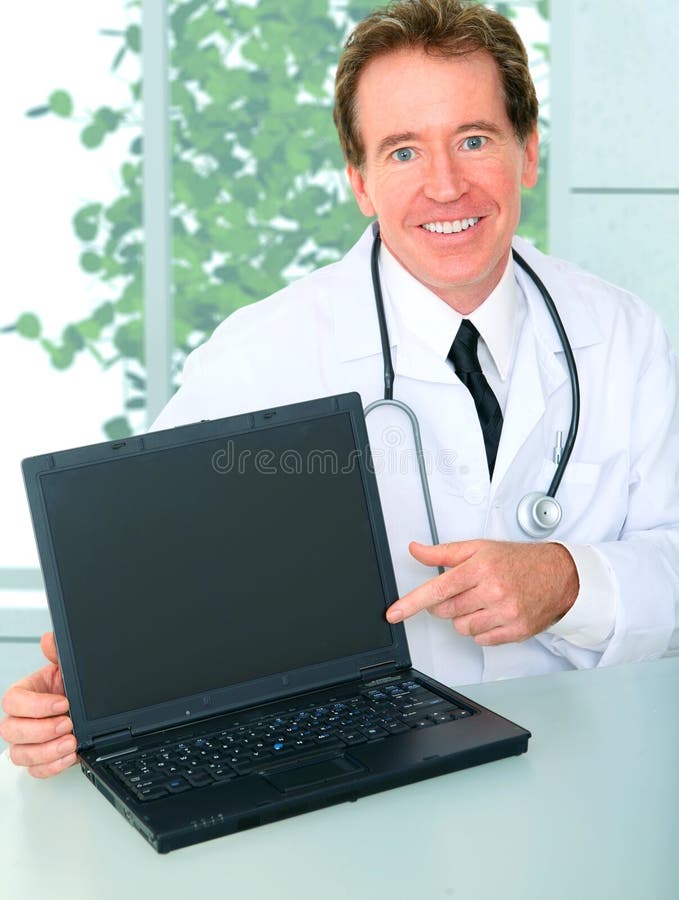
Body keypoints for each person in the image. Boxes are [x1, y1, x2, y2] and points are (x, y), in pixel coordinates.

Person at [2, 0, 678, 779]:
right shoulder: (259, 357)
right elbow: (148, 596)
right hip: (369, 786)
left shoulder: (622, 336)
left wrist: (568, 579)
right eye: (401, 153)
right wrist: (70, 702)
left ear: (526, 152)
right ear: (358, 180)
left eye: (473, 139)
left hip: (592, 773)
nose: (445, 185)